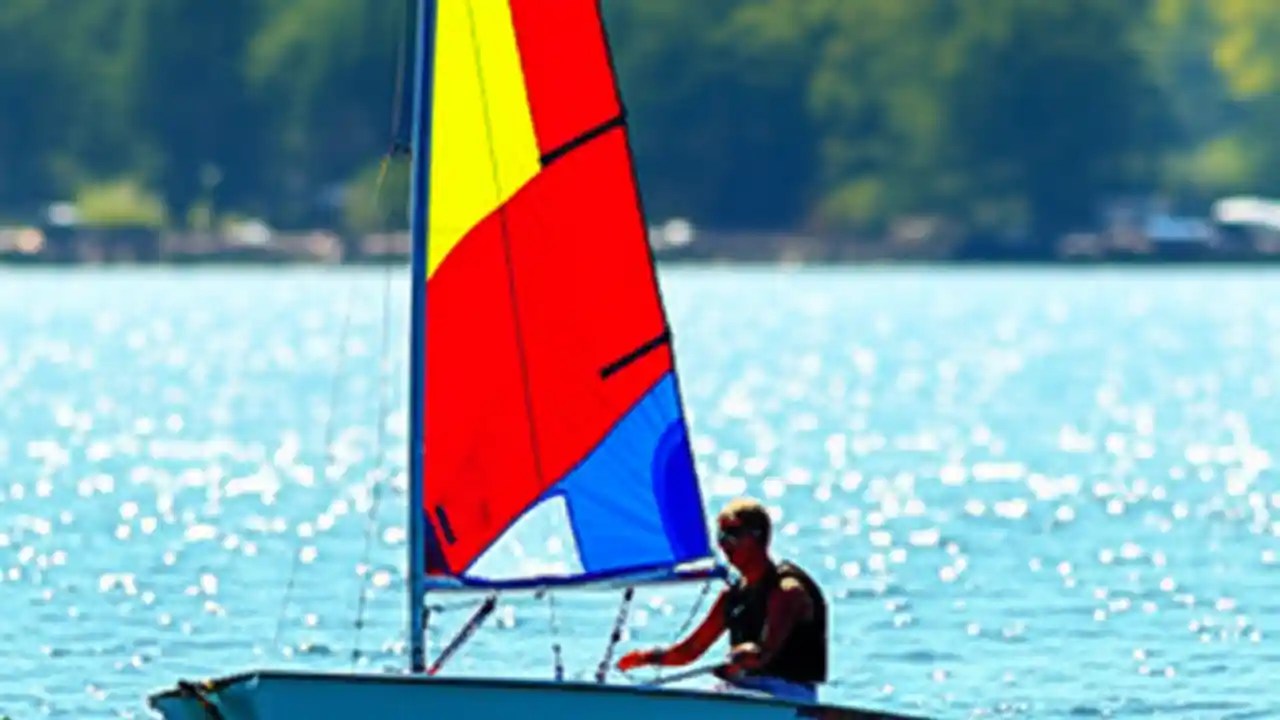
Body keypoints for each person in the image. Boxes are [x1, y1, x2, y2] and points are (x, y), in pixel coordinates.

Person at [616, 497, 827, 703]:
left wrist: (740, 657)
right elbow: (689, 651)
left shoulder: (787, 591)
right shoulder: (732, 596)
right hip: (745, 690)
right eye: (721, 535)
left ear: (758, 536)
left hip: (787, 695)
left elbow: (763, 654)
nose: (725, 543)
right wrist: (644, 657)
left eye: (733, 533)